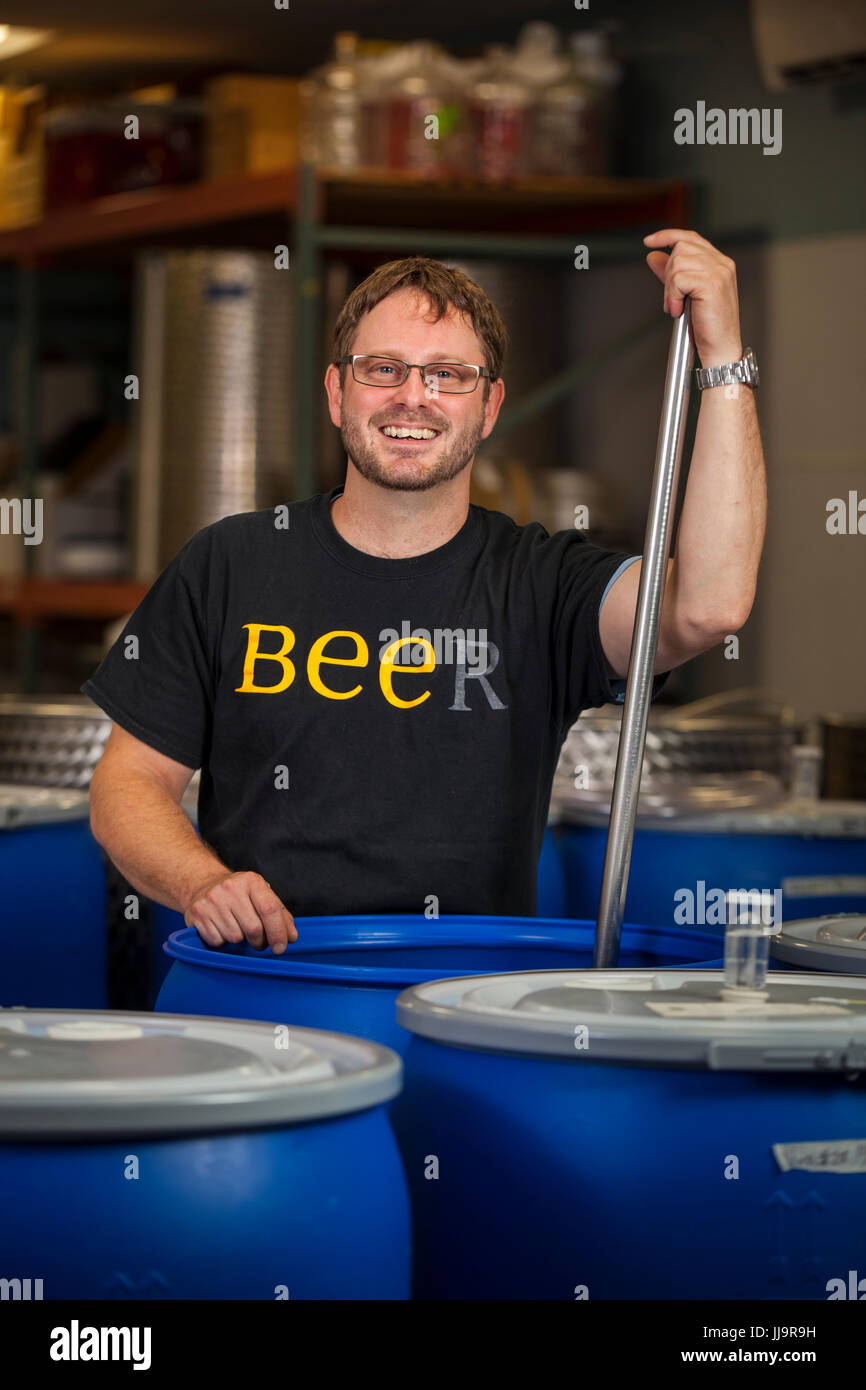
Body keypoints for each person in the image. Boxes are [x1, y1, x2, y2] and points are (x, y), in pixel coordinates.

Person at [85, 233, 766, 954]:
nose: (414, 396)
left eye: (449, 374)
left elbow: (707, 606)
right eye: (383, 369)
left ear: (492, 405)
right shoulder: (228, 564)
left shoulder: (541, 585)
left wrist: (723, 362)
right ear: (335, 391)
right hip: (269, 985)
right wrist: (200, 882)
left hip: (468, 1006)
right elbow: (127, 784)